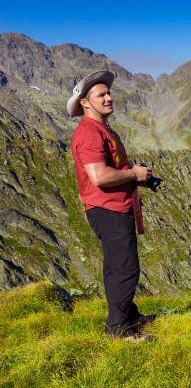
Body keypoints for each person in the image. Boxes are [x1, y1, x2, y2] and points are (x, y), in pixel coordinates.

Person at [67, 71, 156, 342]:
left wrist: (140, 176)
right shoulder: (90, 133)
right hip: (108, 209)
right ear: (84, 102)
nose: (109, 98)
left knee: (117, 266)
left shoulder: (103, 130)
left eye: (108, 93)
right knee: (125, 269)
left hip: (113, 207)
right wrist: (133, 175)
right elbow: (100, 177)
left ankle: (129, 316)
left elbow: (112, 168)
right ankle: (118, 330)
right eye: (101, 95)